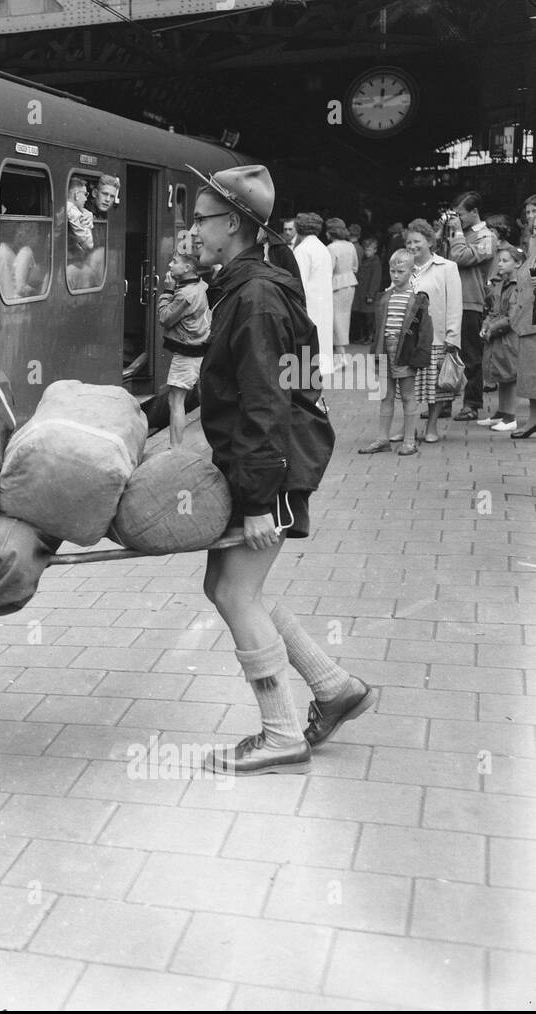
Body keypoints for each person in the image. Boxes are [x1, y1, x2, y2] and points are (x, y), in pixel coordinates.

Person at [188, 164, 375, 776]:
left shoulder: (256, 297)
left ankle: (280, 734)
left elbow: (265, 403)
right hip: (271, 462)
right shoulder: (247, 285)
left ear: (236, 225)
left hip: (275, 467)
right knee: (228, 588)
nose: (191, 231)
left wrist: (258, 501)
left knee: (236, 591)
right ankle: (335, 686)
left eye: (201, 220)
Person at [357, 248, 432, 457]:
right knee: (385, 396)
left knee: (408, 396)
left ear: (412, 271)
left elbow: (425, 332)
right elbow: (377, 330)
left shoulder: (418, 300)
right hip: (385, 351)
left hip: (405, 353)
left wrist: (420, 357)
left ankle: (409, 441)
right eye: (392, 271)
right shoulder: (384, 298)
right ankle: (382, 439)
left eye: (401, 271)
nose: (396, 275)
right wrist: (375, 355)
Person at [404, 218, 463, 444]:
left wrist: (452, 337)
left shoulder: (447, 267)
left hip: (436, 336)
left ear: (430, 241)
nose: (412, 246)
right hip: (408, 339)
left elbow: (455, 305)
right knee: (407, 385)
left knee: (435, 387)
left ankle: (432, 426)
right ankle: (408, 426)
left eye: (417, 241)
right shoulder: (404, 266)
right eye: (409, 242)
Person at [444, 191, 496, 421]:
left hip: (469, 301)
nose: (458, 219)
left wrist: (455, 232)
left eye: (461, 214)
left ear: (475, 212)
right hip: (446, 298)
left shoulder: (487, 236)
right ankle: (441, 402)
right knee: (442, 353)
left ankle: (472, 403)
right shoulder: (458, 233)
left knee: (470, 356)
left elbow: (461, 257)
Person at [156, 250, 209, 446]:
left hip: (188, 354)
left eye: (174, 261)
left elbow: (165, 318)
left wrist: (168, 291)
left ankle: (175, 450)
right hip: (200, 348)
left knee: (175, 400)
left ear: (187, 268)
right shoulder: (201, 285)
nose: (170, 265)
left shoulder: (185, 295)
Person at [476, 244, 526, 432]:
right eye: (499, 261)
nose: (500, 265)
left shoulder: (519, 286)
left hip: (509, 338)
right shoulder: (500, 284)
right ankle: (502, 412)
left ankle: (511, 416)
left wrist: (492, 328)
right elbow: (493, 309)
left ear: (518, 264)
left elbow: (513, 317)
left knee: (510, 375)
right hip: (497, 337)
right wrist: (485, 324)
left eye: (505, 261)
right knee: (501, 375)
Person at [291, 212, 334, 375]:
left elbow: (299, 282)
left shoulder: (302, 250)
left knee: (308, 351)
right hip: (323, 303)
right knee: (321, 346)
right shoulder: (322, 248)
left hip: (309, 305)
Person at [512, 194, 536, 438]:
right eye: (528, 213)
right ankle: (532, 420)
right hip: (527, 317)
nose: (531, 218)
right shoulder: (529, 245)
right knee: (530, 371)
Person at [327, 218, 360, 367]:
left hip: (336, 285)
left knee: (336, 320)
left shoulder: (331, 248)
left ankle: (342, 357)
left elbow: (329, 269)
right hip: (350, 284)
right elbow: (355, 266)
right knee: (344, 319)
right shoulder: (350, 246)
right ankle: (341, 355)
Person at [352, 236, 383, 344]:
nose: (366, 252)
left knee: (369, 317)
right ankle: (363, 336)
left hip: (368, 293)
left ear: (375, 250)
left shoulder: (375, 262)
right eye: (366, 249)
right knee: (361, 316)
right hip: (360, 292)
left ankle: (370, 336)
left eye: (369, 250)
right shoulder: (364, 260)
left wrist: (371, 295)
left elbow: (375, 280)